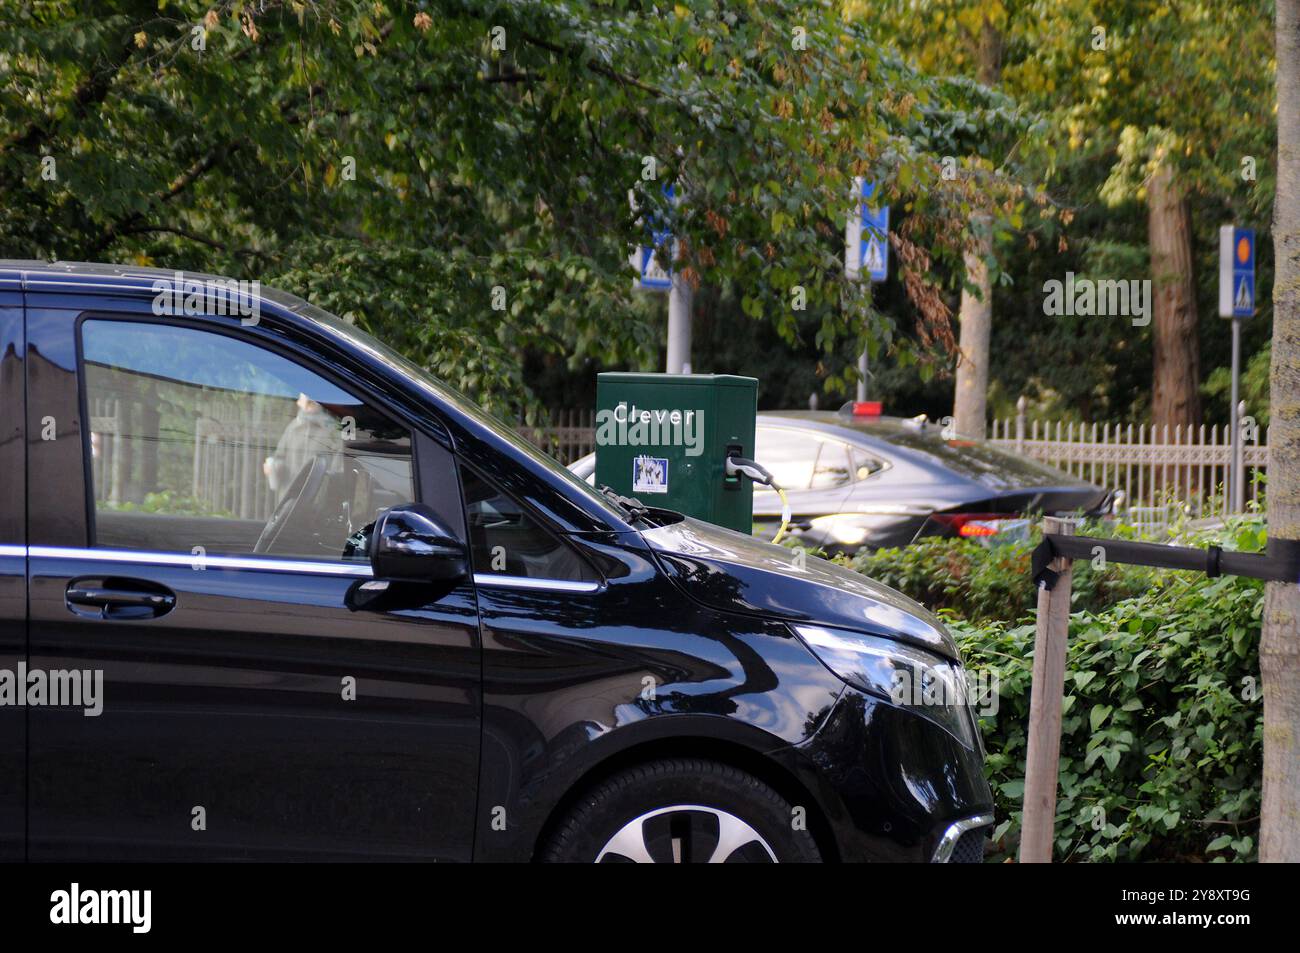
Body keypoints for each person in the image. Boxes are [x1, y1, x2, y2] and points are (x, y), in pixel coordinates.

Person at [262, 393, 341, 495]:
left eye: (302, 397)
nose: (298, 401)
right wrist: (272, 468)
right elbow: (280, 457)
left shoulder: (332, 430)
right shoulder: (293, 427)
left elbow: (337, 472)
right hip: (292, 499)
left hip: (317, 501)